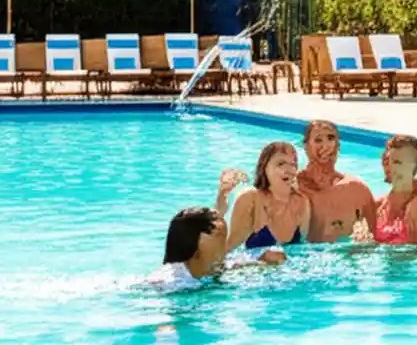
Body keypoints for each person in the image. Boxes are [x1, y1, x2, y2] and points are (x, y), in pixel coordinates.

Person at [146, 207, 284, 290]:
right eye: (220, 237)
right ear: (196, 243)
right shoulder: (167, 281)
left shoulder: (216, 267)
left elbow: (234, 266)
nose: (225, 247)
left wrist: (263, 261)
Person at [295, 120, 377, 243]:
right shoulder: (293, 186)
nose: (326, 145)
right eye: (318, 140)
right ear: (306, 147)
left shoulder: (356, 190)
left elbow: (376, 237)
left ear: (338, 146)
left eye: (330, 138)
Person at [224, 141, 312, 251]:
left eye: (293, 164)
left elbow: (302, 250)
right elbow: (230, 249)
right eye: (281, 164)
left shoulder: (302, 202)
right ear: (264, 168)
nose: (290, 170)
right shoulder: (250, 199)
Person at [374, 134, 417, 248]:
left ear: (415, 167)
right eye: (387, 160)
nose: (390, 166)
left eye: (397, 162)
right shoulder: (378, 206)